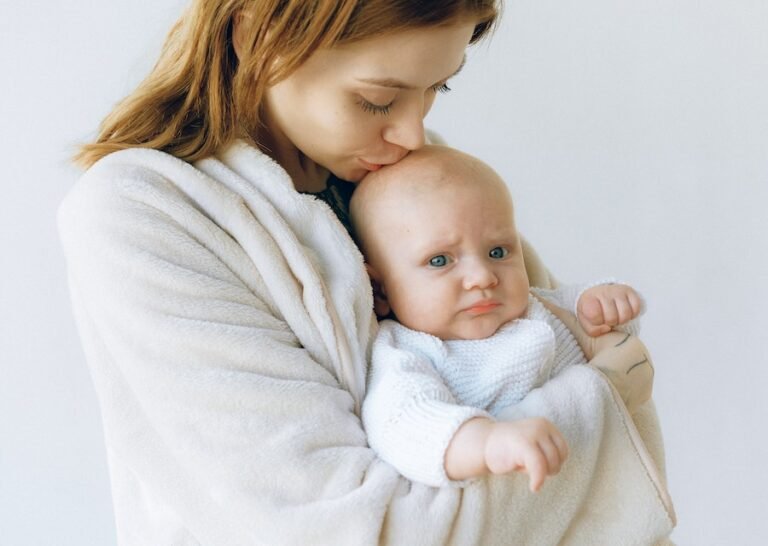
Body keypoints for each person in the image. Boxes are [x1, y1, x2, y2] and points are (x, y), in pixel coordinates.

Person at [59, 1, 675, 544]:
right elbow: (356, 531)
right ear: (258, 38)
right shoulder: (144, 215)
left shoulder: (397, 171)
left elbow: (546, 334)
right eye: (376, 100)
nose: (412, 133)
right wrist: (605, 401)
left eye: (439, 87)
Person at [350, 145, 654, 493]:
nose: (482, 276)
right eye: (440, 261)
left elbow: (607, 332)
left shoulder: (532, 307)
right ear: (381, 291)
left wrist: (601, 301)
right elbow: (401, 423)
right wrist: (486, 442)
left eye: (497, 252)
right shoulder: (410, 353)